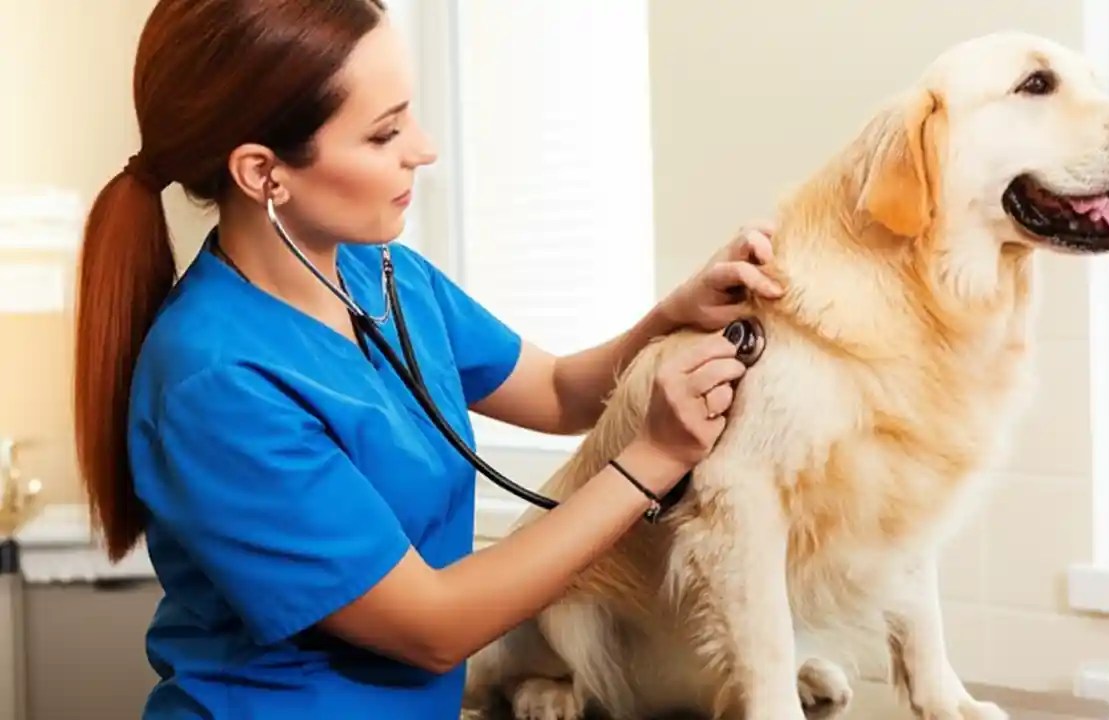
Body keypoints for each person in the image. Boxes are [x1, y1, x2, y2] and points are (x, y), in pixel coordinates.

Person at [71, 1, 783, 718]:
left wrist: (672, 315)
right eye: (384, 133)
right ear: (262, 172)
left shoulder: (388, 276)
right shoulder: (216, 382)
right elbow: (433, 628)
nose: (424, 147)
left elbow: (560, 391)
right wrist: (656, 457)